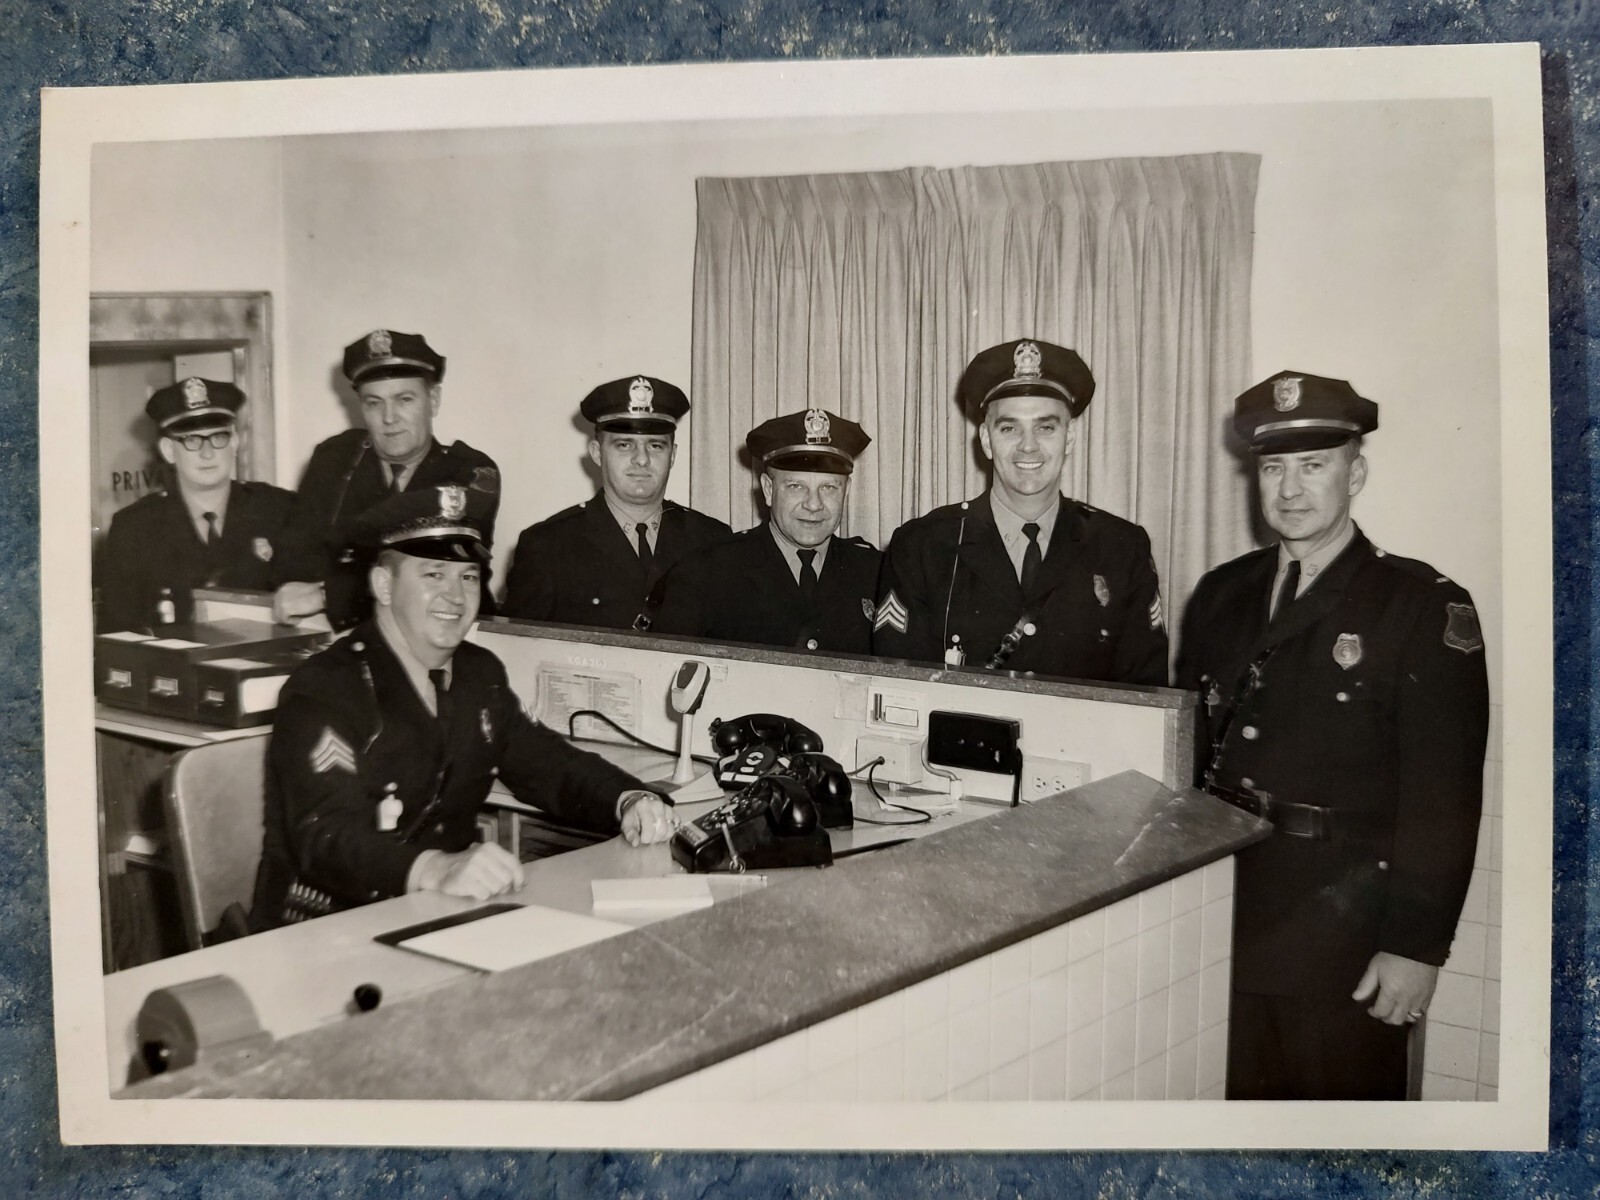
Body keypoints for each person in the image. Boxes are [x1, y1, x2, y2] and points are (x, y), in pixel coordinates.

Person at [1175, 370, 1489, 1100]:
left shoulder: (1418, 606)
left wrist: (1416, 947)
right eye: (1274, 467)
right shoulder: (1220, 595)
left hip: (1343, 939)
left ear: (1357, 472)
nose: (1290, 489)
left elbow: (1444, 799)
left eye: (1314, 465)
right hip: (1222, 919)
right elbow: (1189, 759)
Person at [251, 484, 677, 929]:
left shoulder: (479, 675)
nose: (455, 596)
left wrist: (628, 798)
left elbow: (547, 763)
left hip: (435, 913)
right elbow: (327, 837)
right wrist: (434, 868)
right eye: (433, 575)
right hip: (321, 925)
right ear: (383, 584)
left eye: (468, 576)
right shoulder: (324, 687)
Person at [872, 338, 1168, 685]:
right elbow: (899, 690)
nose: (1028, 446)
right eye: (1009, 428)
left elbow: (1147, 696)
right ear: (985, 439)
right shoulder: (922, 545)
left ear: (1069, 438)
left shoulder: (1121, 547)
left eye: (1046, 427)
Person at [270, 329, 500, 630]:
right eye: (374, 403)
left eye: (404, 399)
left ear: (434, 400)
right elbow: (293, 561)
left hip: (449, 636)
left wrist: (328, 593)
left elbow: (425, 573)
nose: (389, 417)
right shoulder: (335, 459)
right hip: (350, 638)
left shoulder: (469, 470)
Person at [502, 375, 730, 630]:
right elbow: (521, 652)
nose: (641, 460)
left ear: (673, 455)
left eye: (655, 446)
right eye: (624, 445)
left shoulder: (712, 540)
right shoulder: (548, 547)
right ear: (597, 453)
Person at [650, 408, 880, 653]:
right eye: (796, 486)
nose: (814, 504)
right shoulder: (708, 571)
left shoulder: (874, 572)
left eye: (829, 488)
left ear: (847, 490)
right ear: (769, 490)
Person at [97, 377, 294, 633]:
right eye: (191, 440)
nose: (208, 453)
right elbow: (116, 637)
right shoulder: (134, 527)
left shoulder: (278, 510)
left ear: (234, 442)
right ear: (169, 450)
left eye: (218, 437)